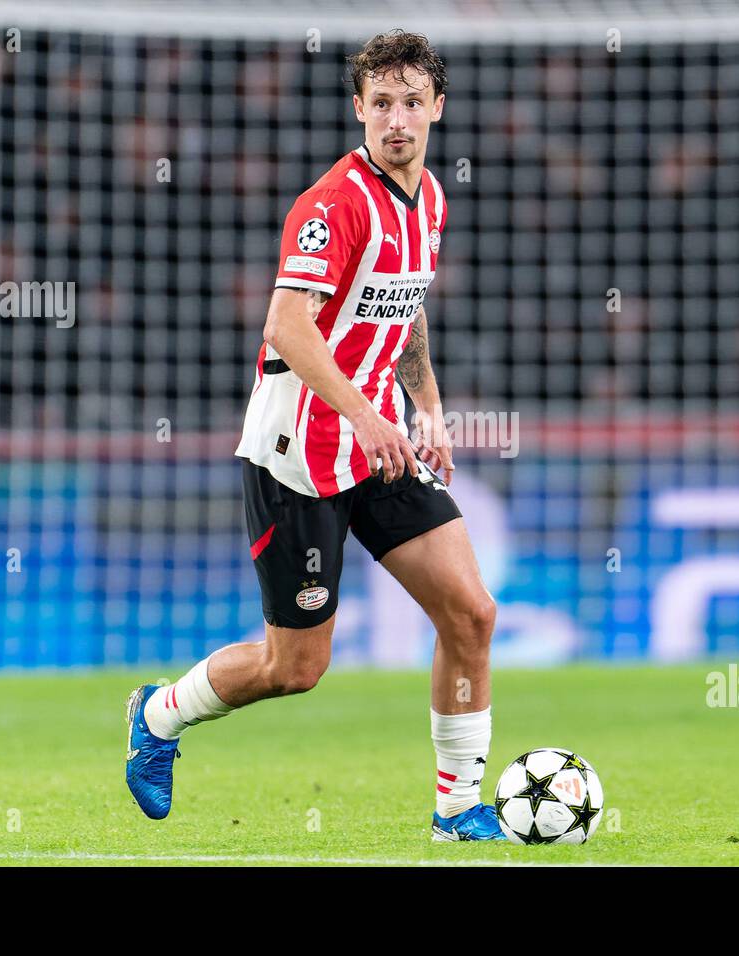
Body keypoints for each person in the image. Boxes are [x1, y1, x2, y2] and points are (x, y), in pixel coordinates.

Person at [125, 30, 504, 841]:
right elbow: (286, 326)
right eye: (380, 104)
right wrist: (368, 418)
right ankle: (156, 715)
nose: (395, 120)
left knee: (471, 613)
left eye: (411, 102)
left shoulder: (430, 199)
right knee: (295, 668)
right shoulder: (331, 204)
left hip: (382, 444)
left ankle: (458, 811)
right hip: (299, 451)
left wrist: (427, 404)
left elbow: (402, 309)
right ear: (357, 109)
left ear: (437, 107)